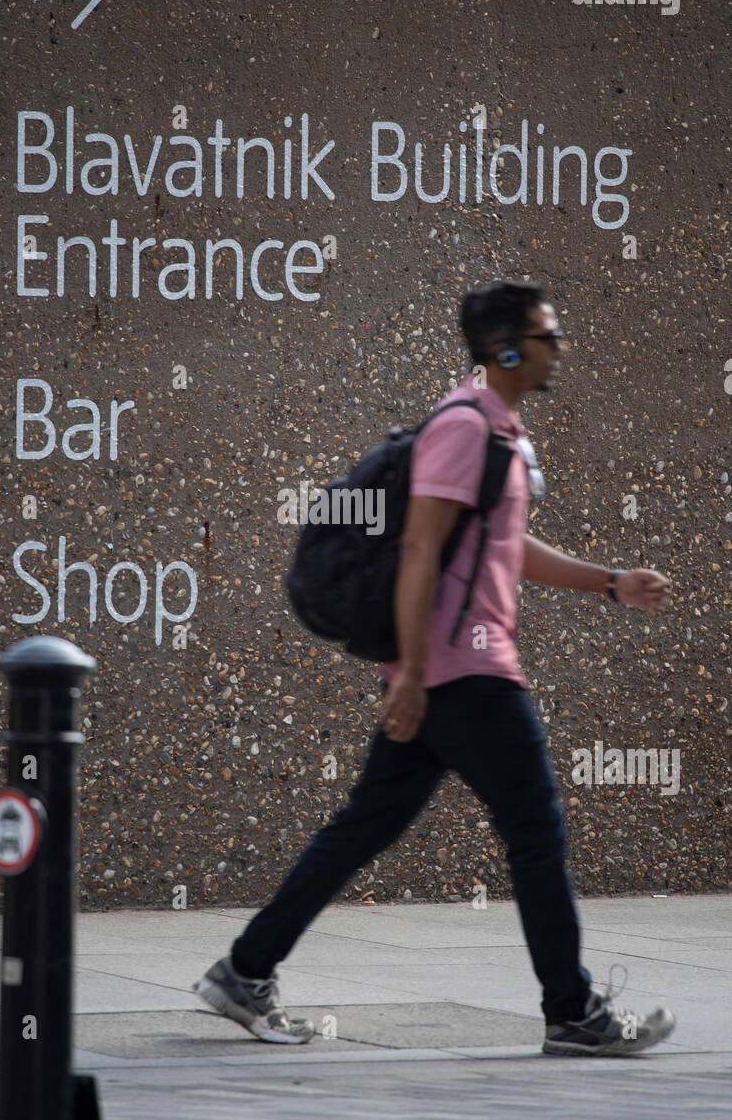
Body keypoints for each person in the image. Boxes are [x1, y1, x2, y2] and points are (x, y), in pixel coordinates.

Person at [194, 280, 676, 1055]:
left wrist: (610, 583)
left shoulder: (500, 433)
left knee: (363, 828)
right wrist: (412, 671)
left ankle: (245, 972)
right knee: (537, 833)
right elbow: (419, 548)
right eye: (548, 337)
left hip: (448, 670)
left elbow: (504, 548)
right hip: (464, 671)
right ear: (506, 349)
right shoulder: (463, 428)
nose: (561, 349)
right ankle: (574, 1013)